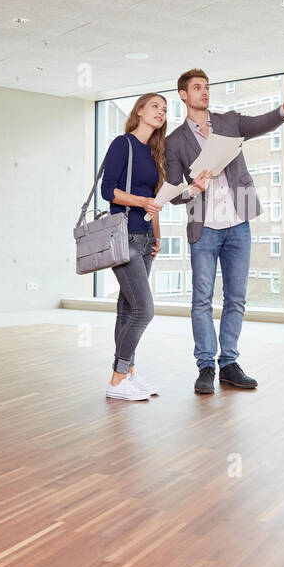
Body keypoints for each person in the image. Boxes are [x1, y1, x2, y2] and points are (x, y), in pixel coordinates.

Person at [165, 69, 284, 394]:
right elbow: (174, 190)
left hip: (238, 225)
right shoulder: (175, 142)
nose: (204, 92)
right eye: (197, 88)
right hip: (205, 228)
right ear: (183, 95)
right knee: (201, 301)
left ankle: (228, 363)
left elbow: (260, 123)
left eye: (207, 87)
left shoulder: (228, 122)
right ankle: (205, 367)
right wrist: (192, 188)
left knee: (236, 299)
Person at [99, 92, 168, 401]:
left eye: (165, 109)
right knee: (144, 309)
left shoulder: (153, 152)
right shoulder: (122, 144)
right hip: (123, 235)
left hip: (144, 238)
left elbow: (155, 200)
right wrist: (141, 202)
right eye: (155, 106)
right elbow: (107, 191)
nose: (161, 112)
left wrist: (157, 235)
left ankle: (128, 374)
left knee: (128, 309)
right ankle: (116, 380)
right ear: (139, 111)